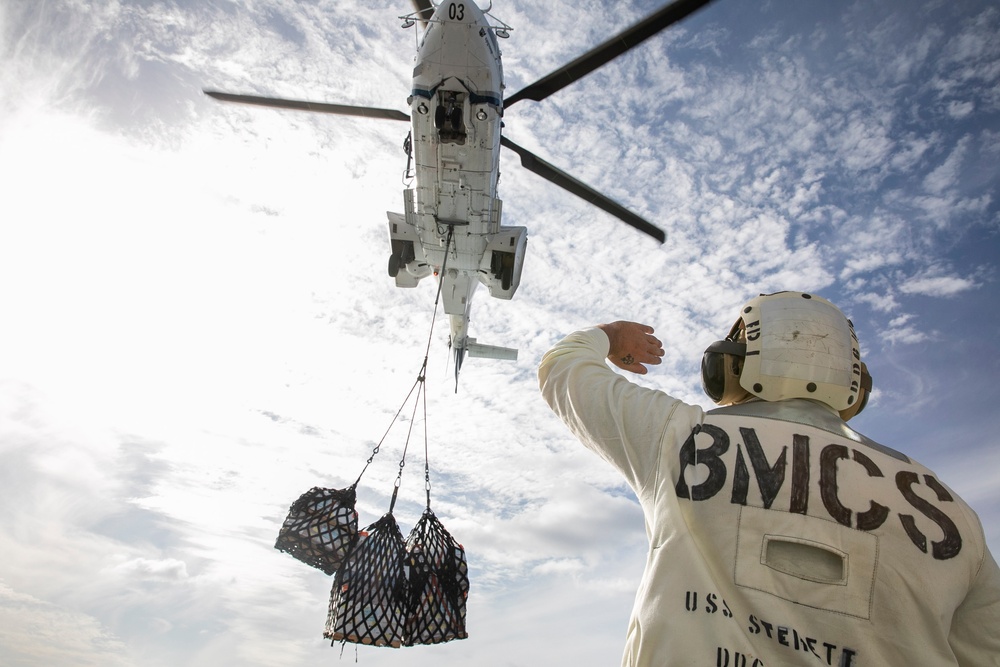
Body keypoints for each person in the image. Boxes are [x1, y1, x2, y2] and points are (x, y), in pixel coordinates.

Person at [538, 291, 1000, 666]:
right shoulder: (951, 512)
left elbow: (563, 368)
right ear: (856, 382)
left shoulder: (678, 436)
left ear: (728, 365)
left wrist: (611, 333)